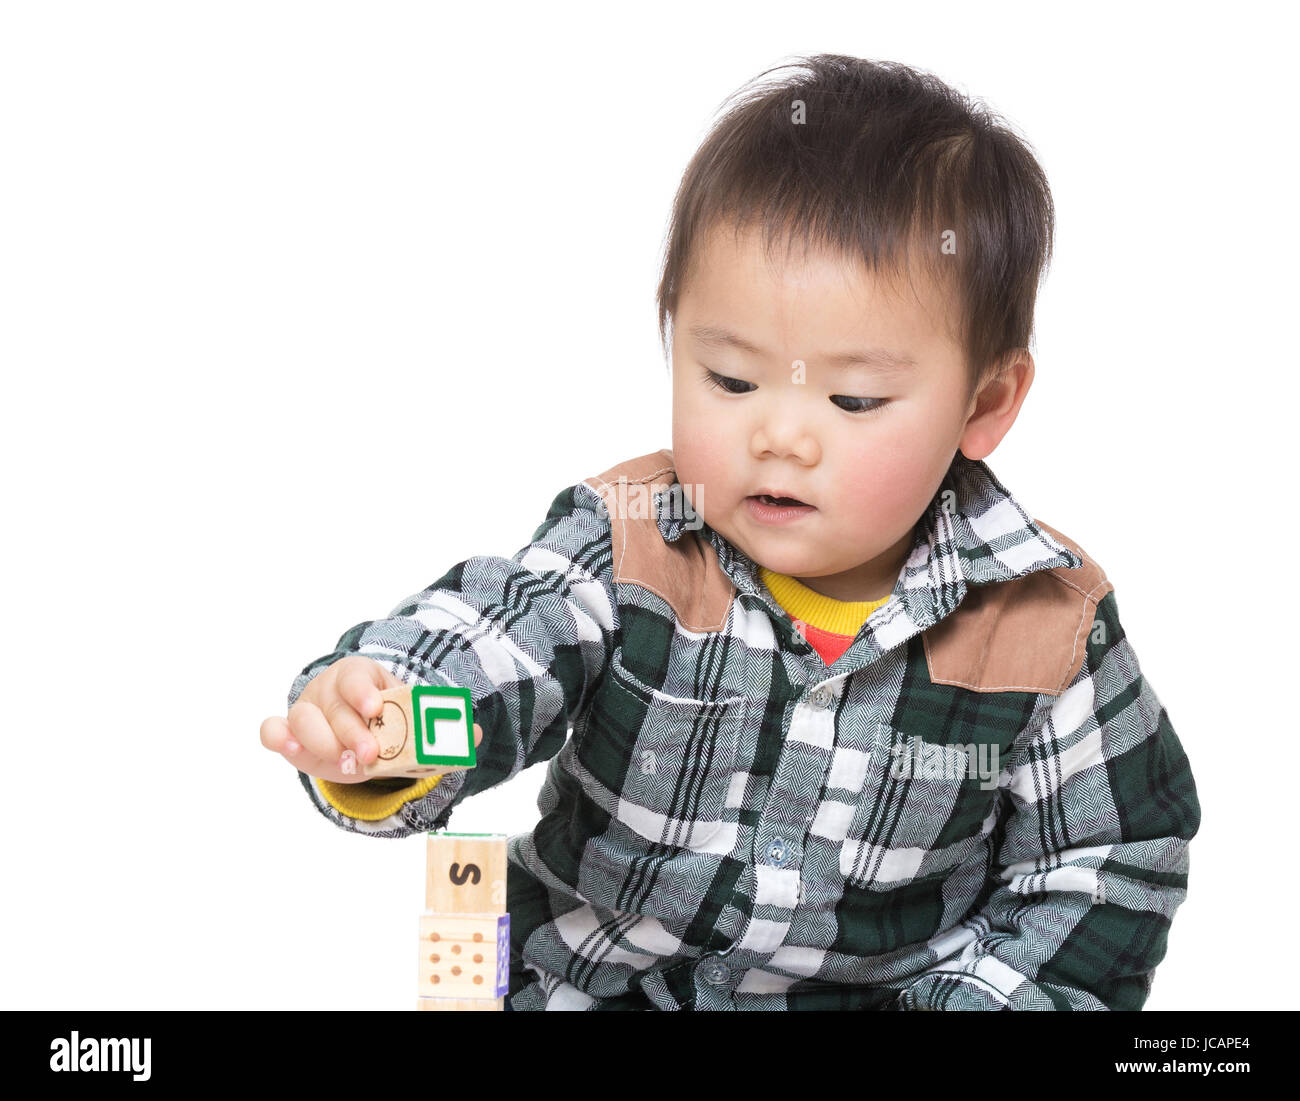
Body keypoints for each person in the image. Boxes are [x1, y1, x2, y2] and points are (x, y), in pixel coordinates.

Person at [260, 54, 1199, 1011]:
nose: (779, 436)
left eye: (854, 397)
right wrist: (394, 706)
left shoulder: (1045, 628)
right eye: (731, 380)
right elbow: (506, 627)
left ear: (984, 401)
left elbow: (1110, 862)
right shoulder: (630, 541)